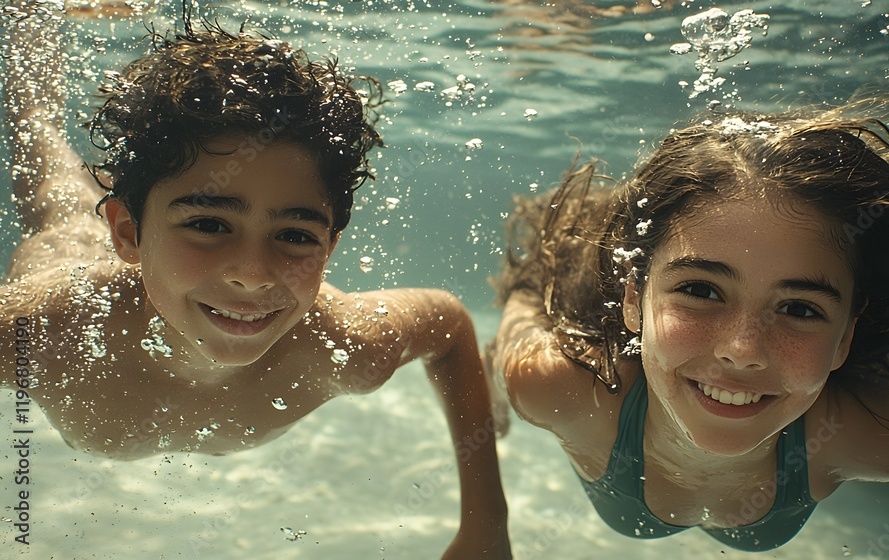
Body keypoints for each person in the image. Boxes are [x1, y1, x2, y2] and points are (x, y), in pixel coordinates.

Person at [0, 2, 510, 558]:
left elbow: (449, 326)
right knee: (58, 193)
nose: (252, 275)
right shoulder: (41, 331)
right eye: (209, 224)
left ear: (330, 247)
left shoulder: (345, 345)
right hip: (68, 254)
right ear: (127, 233)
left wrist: (486, 526)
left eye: (294, 235)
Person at [492, 90, 889, 550]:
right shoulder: (554, 385)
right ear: (633, 299)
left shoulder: (887, 438)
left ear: (846, 336)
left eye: (800, 308)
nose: (743, 350)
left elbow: (883, 349)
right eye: (700, 290)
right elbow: (524, 298)